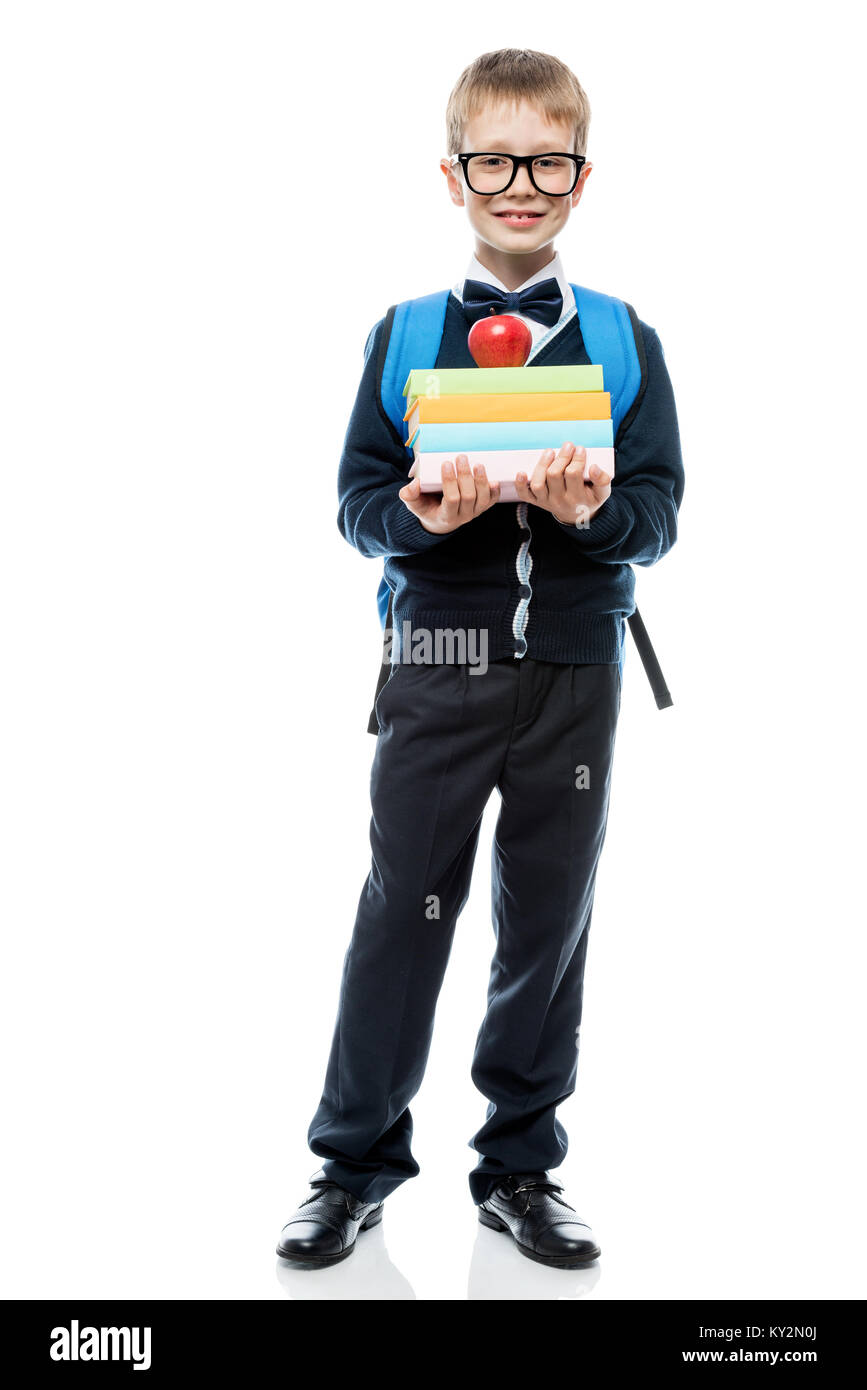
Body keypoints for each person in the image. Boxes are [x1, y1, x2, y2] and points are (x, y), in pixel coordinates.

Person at [276, 47, 684, 1271]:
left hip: (576, 669)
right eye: (495, 159)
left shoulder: (624, 339)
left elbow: (658, 516)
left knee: (547, 925)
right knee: (404, 911)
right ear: (452, 175)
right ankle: (351, 1164)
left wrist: (591, 516)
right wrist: (423, 520)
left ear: (582, 174)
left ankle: (519, 1167)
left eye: (546, 160)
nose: (522, 183)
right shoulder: (402, 336)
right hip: (436, 663)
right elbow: (355, 504)